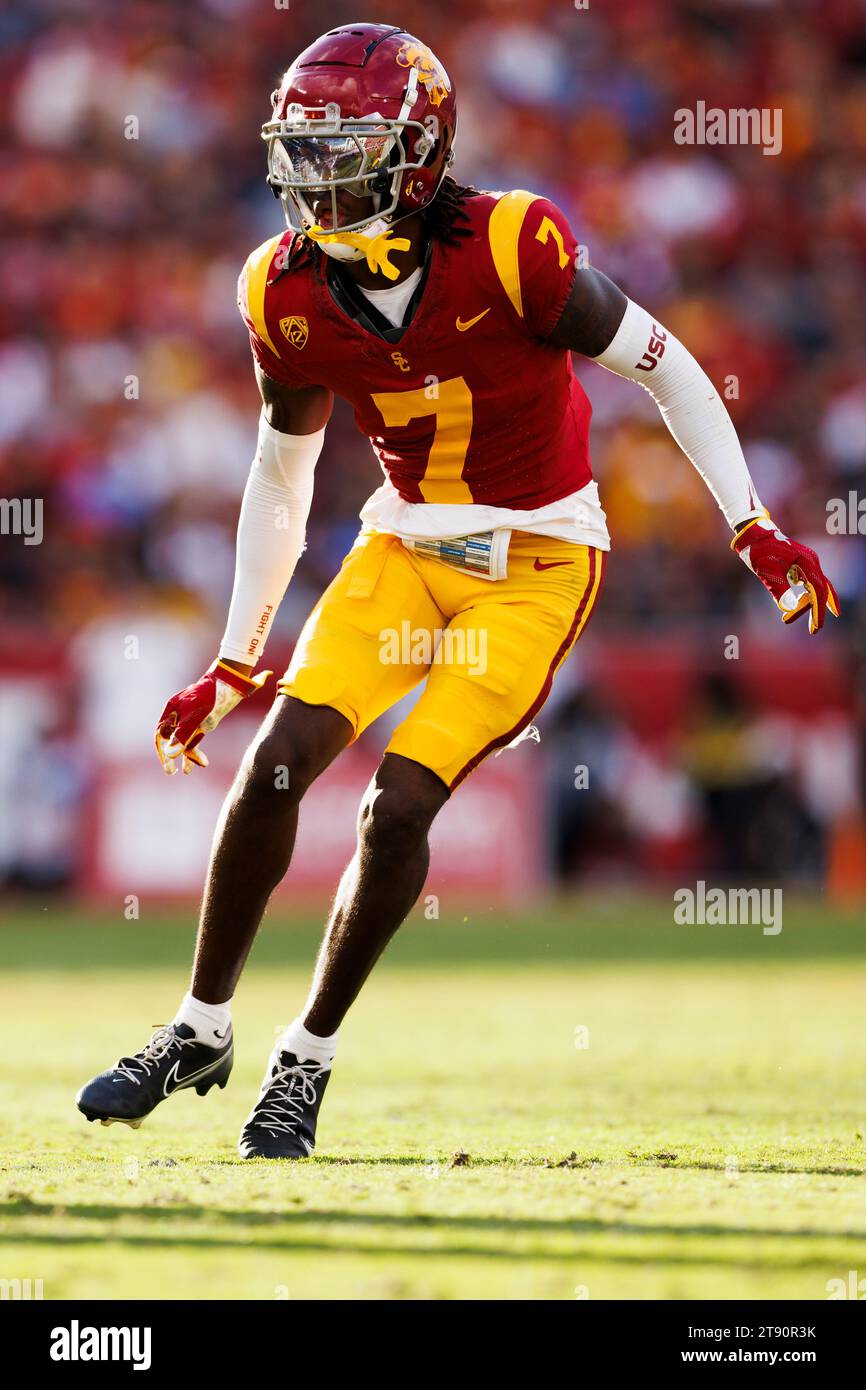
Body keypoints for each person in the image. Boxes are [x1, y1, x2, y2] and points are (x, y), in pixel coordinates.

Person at [77, 23, 839, 1158]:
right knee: (272, 767)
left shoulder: (514, 245)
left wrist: (750, 522)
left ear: (418, 152)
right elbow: (279, 475)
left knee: (397, 808)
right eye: (307, 149)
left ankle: (304, 1061)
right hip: (401, 552)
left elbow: (664, 363)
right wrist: (237, 654)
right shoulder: (279, 288)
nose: (316, 176)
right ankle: (198, 1026)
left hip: (534, 565)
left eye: (345, 150)